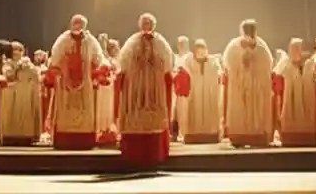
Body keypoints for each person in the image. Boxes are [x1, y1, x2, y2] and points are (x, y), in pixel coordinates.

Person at [116, 12, 174, 167]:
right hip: (136, 81)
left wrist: (155, 62)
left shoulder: (160, 42)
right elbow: (124, 61)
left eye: (149, 23)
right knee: (137, 104)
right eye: (144, 23)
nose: (146, 26)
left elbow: (167, 62)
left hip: (154, 81)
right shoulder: (132, 41)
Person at [48, 14, 103, 149]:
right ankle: (64, 139)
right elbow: (55, 59)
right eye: (75, 23)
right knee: (66, 109)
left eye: (80, 24)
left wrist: (97, 70)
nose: (77, 26)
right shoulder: (63, 40)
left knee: (84, 109)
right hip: (66, 81)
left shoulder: (90, 41)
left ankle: (84, 140)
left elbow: (98, 58)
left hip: (85, 82)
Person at [222, 19, 273, 147]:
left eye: (251, 30)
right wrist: (241, 59)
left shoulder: (261, 46)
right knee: (240, 109)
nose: (249, 33)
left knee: (256, 110)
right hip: (239, 85)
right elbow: (228, 64)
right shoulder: (233, 46)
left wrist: (254, 57)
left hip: (256, 86)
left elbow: (268, 64)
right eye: (246, 30)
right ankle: (239, 137)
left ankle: (257, 136)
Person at [273, 38, 316, 146]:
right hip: (290, 100)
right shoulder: (284, 64)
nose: (297, 51)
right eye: (294, 49)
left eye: (299, 48)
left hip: (307, 100)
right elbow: (277, 80)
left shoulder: (310, 64)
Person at [177, 39, 221, 143]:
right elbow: (184, 72)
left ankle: (210, 133)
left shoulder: (213, 61)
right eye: (198, 51)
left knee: (208, 112)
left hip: (208, 92)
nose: (201, 54)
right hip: (194, 92)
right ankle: (192, 133)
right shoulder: (188, 61)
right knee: (194, 112)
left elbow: (218, 73)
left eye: (203, 51)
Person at [0, 41, 42, 145]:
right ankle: (9, 137)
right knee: (12, 116)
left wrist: (28, 68)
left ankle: (26, 136)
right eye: (14, 50)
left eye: (19, 50)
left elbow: (36, 76)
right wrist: (18, 68)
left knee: (24, 115)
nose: (17, 52)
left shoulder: (28, 63)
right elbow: (8, 76)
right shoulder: (7, 63)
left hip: (25, 94)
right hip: (11, 93)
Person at [95, 38, 118, 146]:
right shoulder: (105, 60)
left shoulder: (116, 60)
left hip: (112, 88)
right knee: (104, 108)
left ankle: (110, 129)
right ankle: (103, 130)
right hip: (104, 89)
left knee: (111, 107)